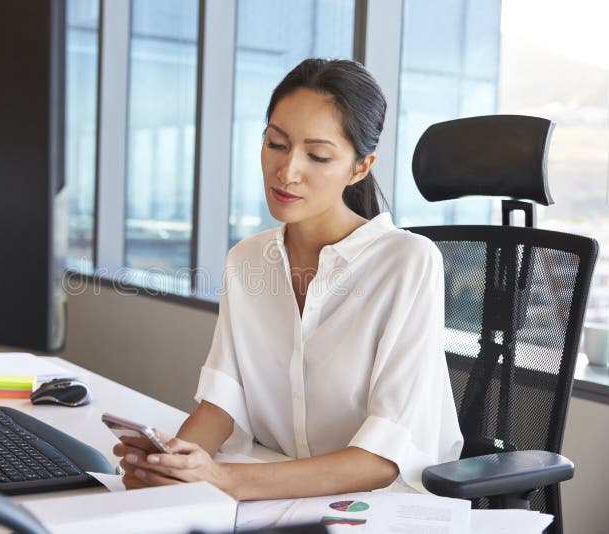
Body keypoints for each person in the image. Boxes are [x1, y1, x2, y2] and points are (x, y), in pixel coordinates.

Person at [113, 58, 463, 500]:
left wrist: (222, 479)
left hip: (378, 509)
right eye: (276, 144)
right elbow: (223, 404)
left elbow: (379, 460)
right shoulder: (248, 259)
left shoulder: (407, 263)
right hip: (276, 493)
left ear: (360, 167)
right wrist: (171, 466)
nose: (288, 171)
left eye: (317, 155)